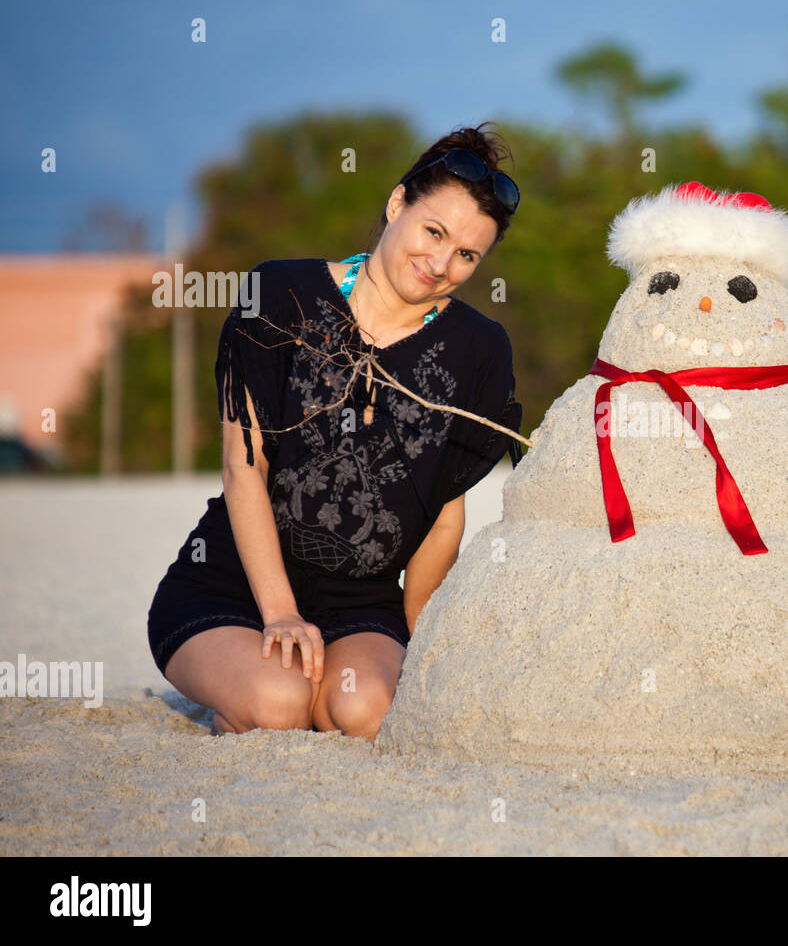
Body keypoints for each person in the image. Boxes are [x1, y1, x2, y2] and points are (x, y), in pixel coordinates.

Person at [147, 123, 523, 741]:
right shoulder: (278, 294)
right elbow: (245, 469)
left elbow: (445, 516)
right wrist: (281, 616)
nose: (440, 264)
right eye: (434, 232)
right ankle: (255, 692)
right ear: (397, 204)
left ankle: (319, 686)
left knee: (368, 715)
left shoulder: (479, 349)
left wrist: (423, 643)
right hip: (235, 585)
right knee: (278, 704)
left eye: (467, 255)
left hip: (361, 607)